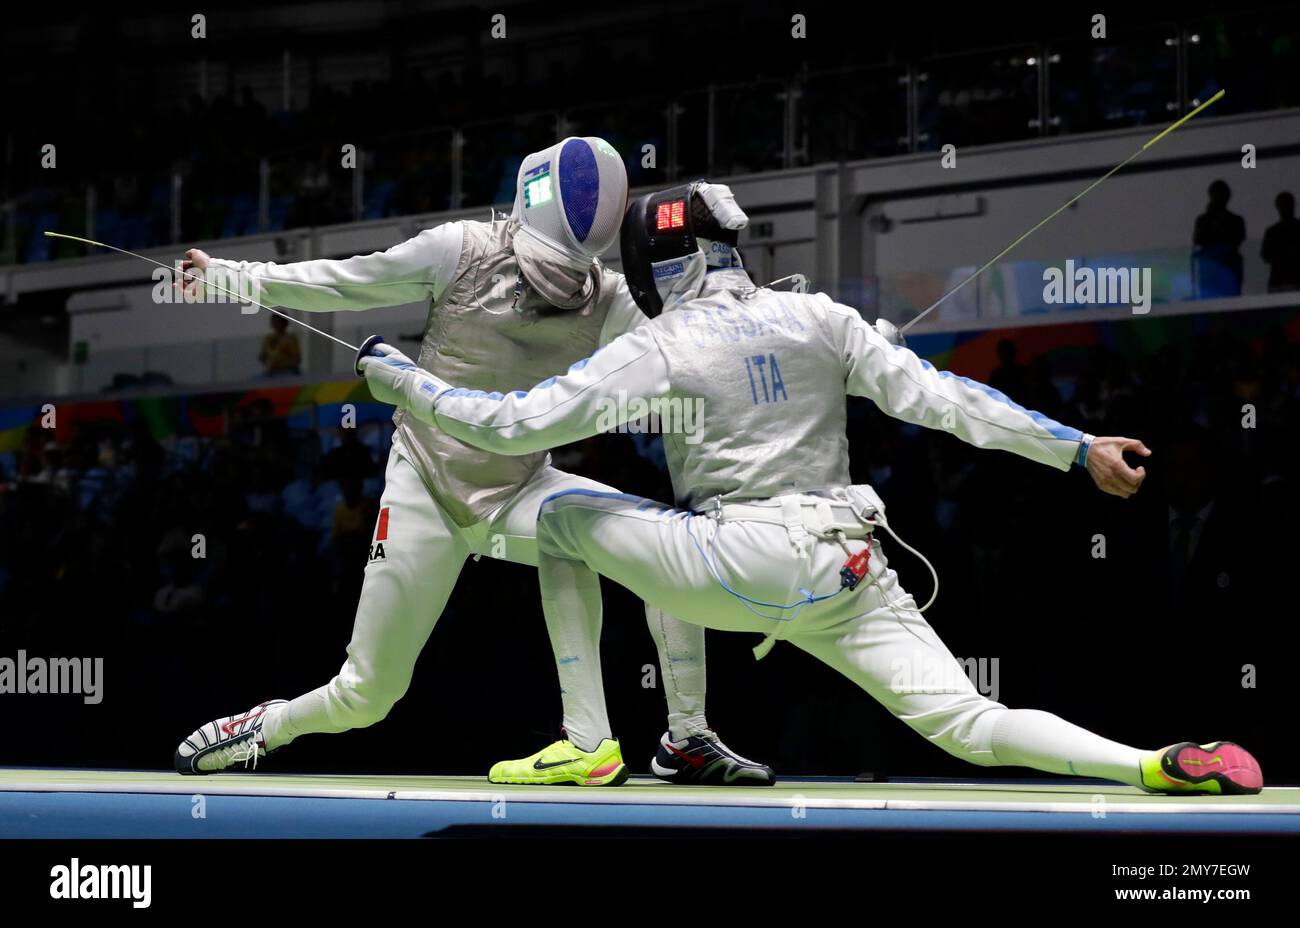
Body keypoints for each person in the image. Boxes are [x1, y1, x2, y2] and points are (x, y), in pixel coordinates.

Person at [358, 180, 1264, 795]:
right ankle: (1150, 762)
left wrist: (406, 384)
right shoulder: (822, 316)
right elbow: (948, 402)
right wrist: (1076, 447)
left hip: (729, 565)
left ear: (656, 266)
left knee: (557, 506)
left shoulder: (657, 345)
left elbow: (514, 426)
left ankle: (596, 742)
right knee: (967, 721)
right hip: (848, 564)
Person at [172, 140, 773, 787]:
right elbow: (346, 279)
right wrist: (228, 276)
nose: (557, 288)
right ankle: (263, 728)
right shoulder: (458, 249)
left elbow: (696, 344)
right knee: (365, 696)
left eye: (567, 277)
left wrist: (795, 327)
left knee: (662, 545)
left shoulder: (607, 298)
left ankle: (665, 740)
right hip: (423, 488)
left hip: (519, 490)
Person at [1192, 179, 1246, 298]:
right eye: (1216, 194)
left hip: (1229, 266)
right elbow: (1198, 240)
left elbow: (1238, 239)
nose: (1218, 198)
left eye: (1221, 194)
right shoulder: (1203, 220)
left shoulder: (1236, 220)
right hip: (1209, 270)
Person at [1261, 191, 1300, 292]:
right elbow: (1265, 256)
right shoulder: (1272, 231)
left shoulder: (1272, 231)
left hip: (1280, 281)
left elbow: (1266, 256)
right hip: (1284, 281)